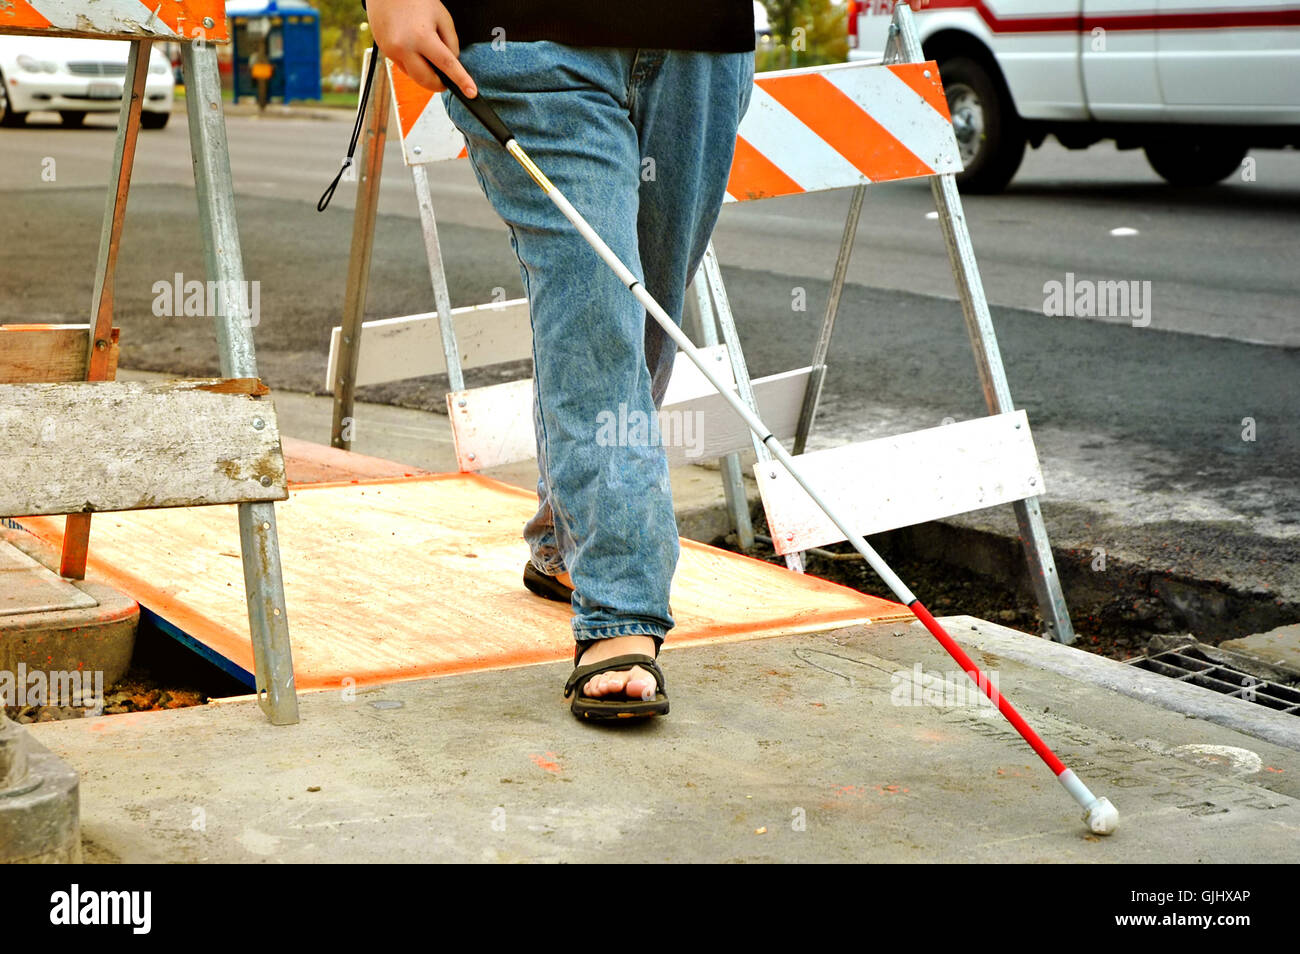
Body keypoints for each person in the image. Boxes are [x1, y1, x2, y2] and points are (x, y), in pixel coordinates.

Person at [365, 0, 755, 720]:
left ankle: (563, 540)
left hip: (701, 42)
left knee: (640, 315)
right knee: (596, 307)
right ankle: (621, 610)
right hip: (529, 41)